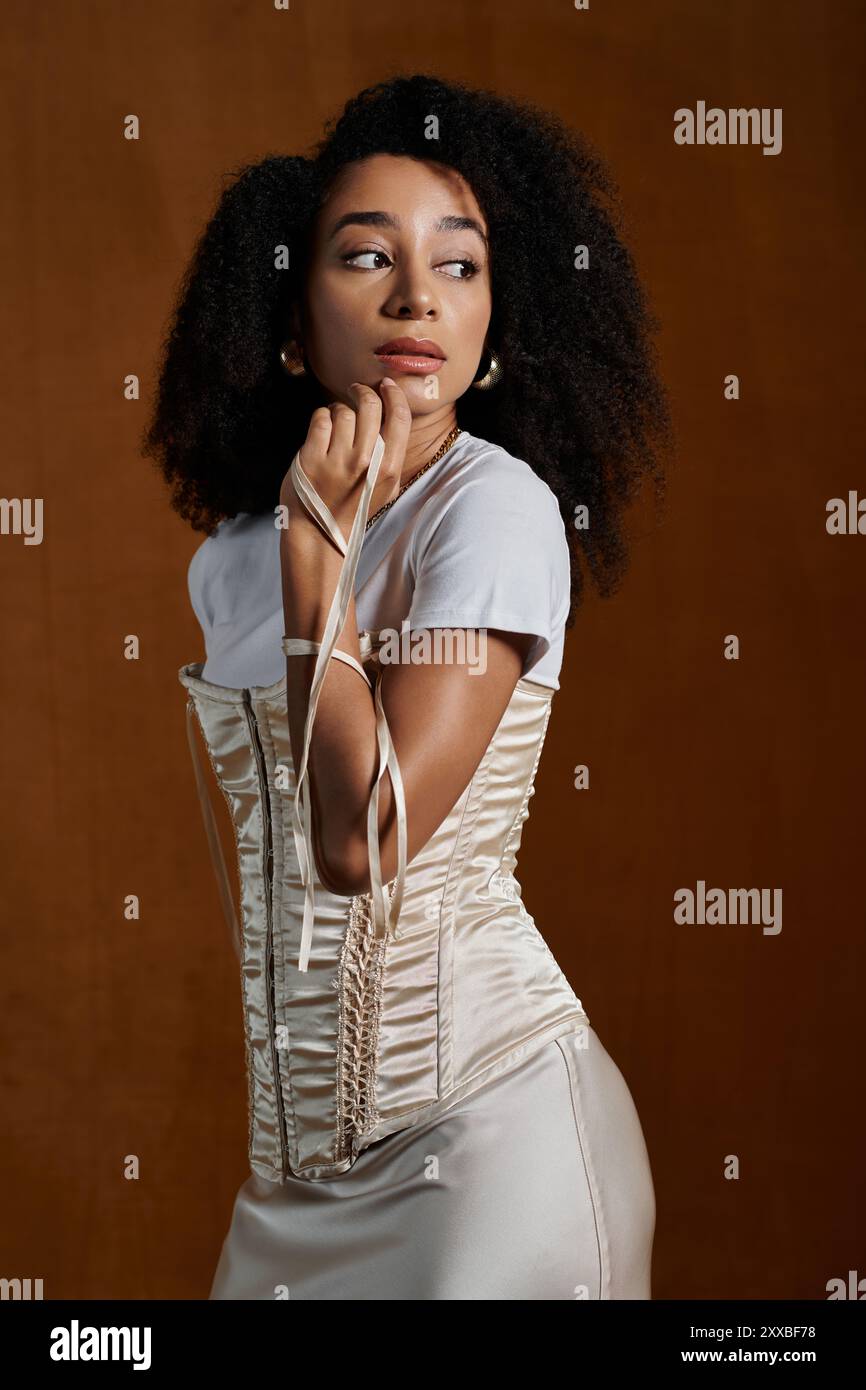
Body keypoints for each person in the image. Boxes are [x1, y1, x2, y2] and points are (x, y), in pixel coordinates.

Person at [143, 73, 669, 1300]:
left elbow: (362, 840)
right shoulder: (235, 555)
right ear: (285, 316)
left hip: (487, 1146)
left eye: (459, 264)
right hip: (291, 1187)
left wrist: (322, 561)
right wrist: (299, 543)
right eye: (365, 255)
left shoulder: (490, 511)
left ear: (495, 327)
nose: (416, 296)